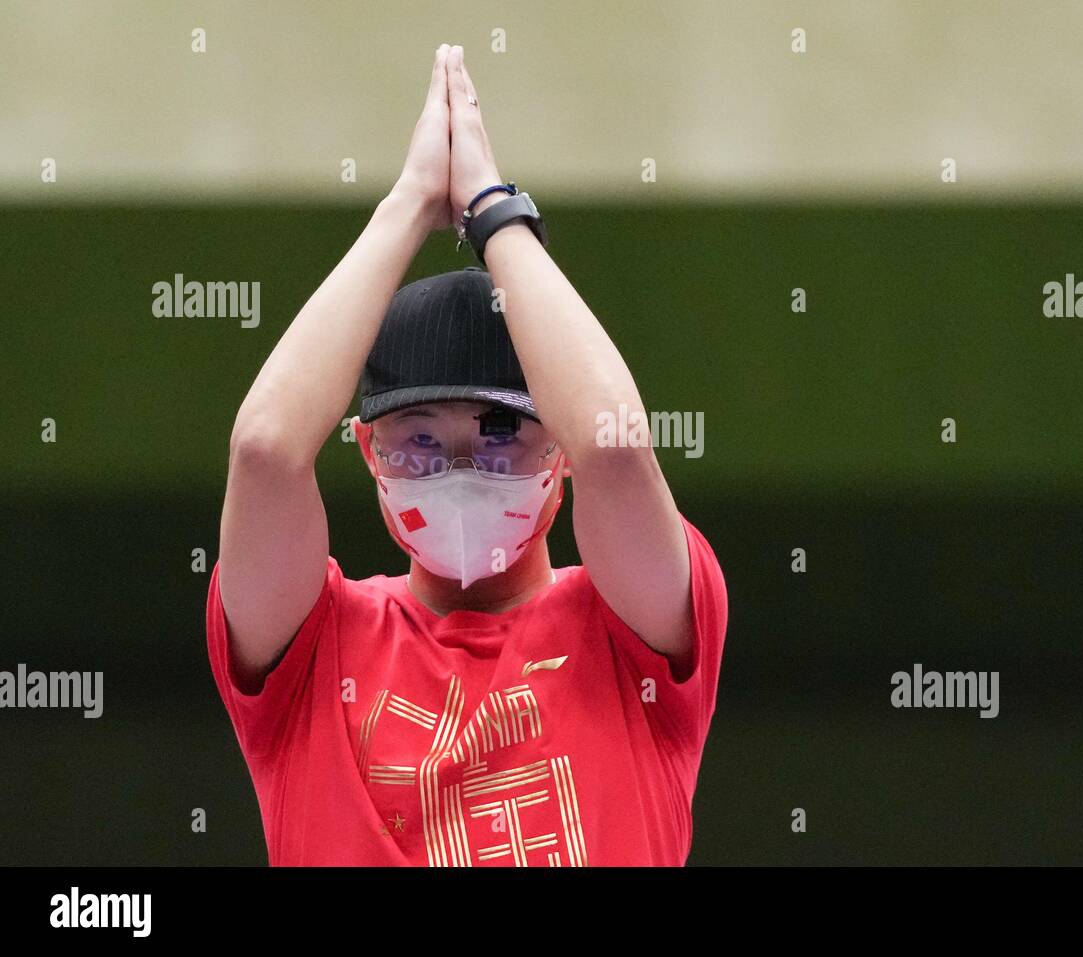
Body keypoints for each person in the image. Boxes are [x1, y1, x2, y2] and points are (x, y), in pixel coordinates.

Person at [205, 44, 727, 866]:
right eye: (418, 436)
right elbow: (266, 449)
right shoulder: (313, 648)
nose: (457, 467)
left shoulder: (632, 635)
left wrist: (492, 210)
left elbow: (620, 452)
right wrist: (409, 203)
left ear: (559, 450)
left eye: (498, 432)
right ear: (365, 449)